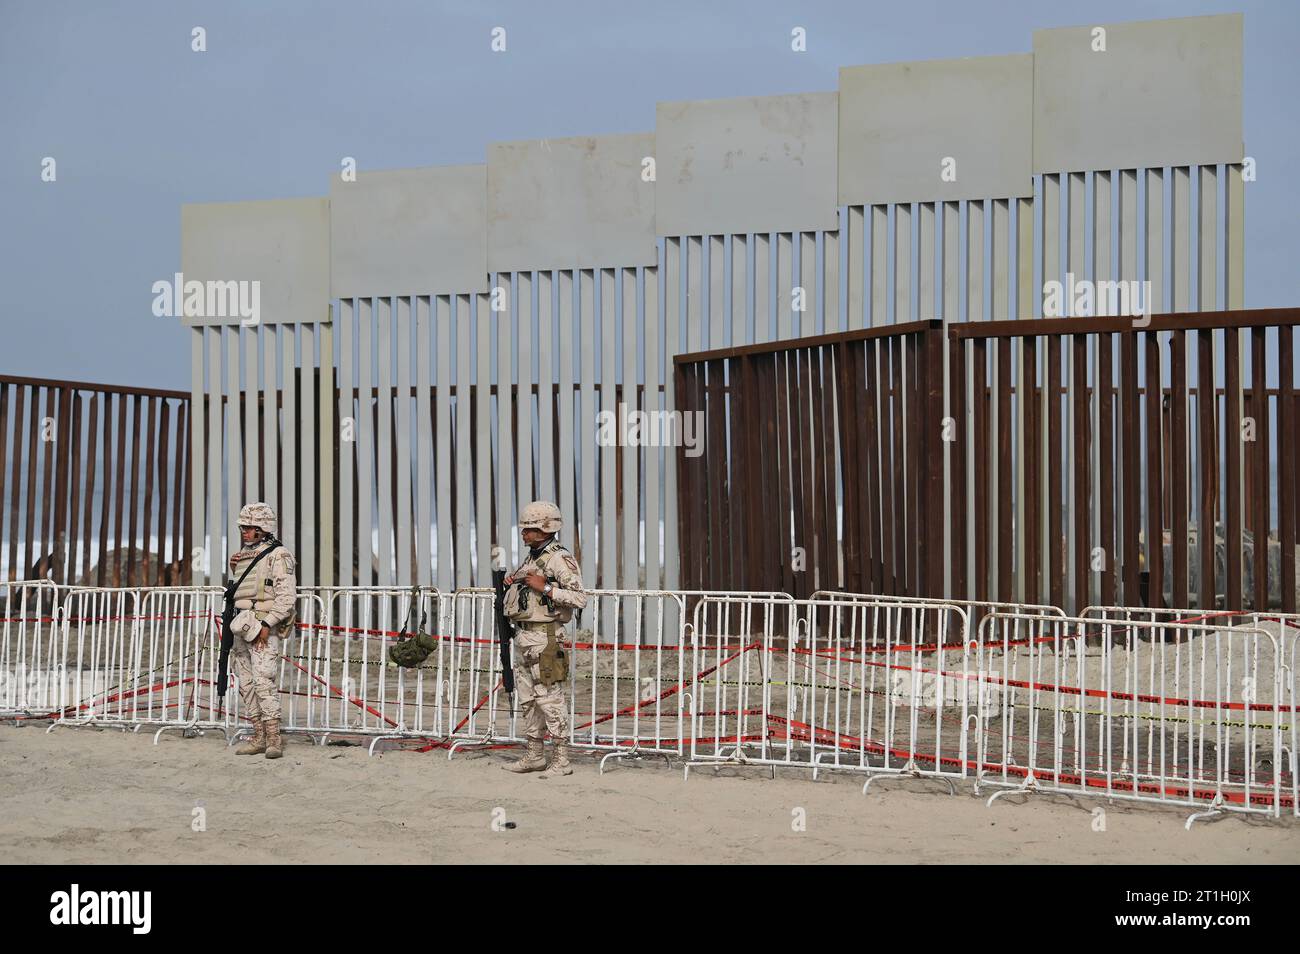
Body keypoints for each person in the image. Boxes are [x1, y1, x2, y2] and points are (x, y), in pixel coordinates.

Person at [500, 500, 587, 778]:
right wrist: (515, 581)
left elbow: (579, 598)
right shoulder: (533, 557)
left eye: (530, 529)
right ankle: (535, 756)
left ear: (546, 529)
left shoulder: (559, 558)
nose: (524, 534)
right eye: (524, 529)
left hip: (546, 637)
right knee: (528, 700)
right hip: (525, 635)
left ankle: (561, 759)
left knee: (550, 698)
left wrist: (547, 587)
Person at [229, 502, 297, 760]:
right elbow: (243, 589)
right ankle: (258, 736)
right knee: (246, 683)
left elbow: (286, 597)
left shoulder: (279, 555)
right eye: (244, 527)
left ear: (263, 529)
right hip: (241, 626)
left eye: (250, 528)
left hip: (261, 626)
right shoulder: (244, 555)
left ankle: (274, 740)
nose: (245, 532)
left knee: (263, 682)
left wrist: (267, 624)